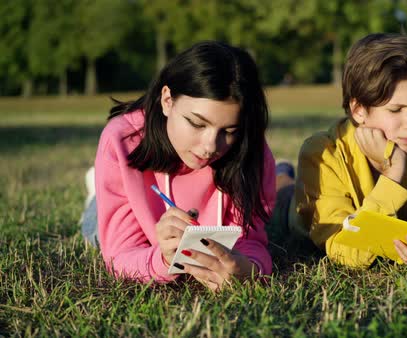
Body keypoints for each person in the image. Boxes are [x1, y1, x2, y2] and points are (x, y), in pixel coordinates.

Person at [81, 41, 276, 289]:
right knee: (93, 229)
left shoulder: (250, 148)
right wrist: (163, 259)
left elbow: (252, 241)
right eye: (197, 123)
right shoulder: (121, 139)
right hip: (121, 211)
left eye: (228, 130)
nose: (209, 146)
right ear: (167, 100)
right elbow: (119, 257)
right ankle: (95, 195)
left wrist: (249, 268)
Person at [284, 33, 407, 269]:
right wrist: (393, 174)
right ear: (359, 109)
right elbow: (347, 251)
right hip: (295, 210)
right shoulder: (322, 153)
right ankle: (283, 171)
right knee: (283, 190)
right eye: (396, 110)